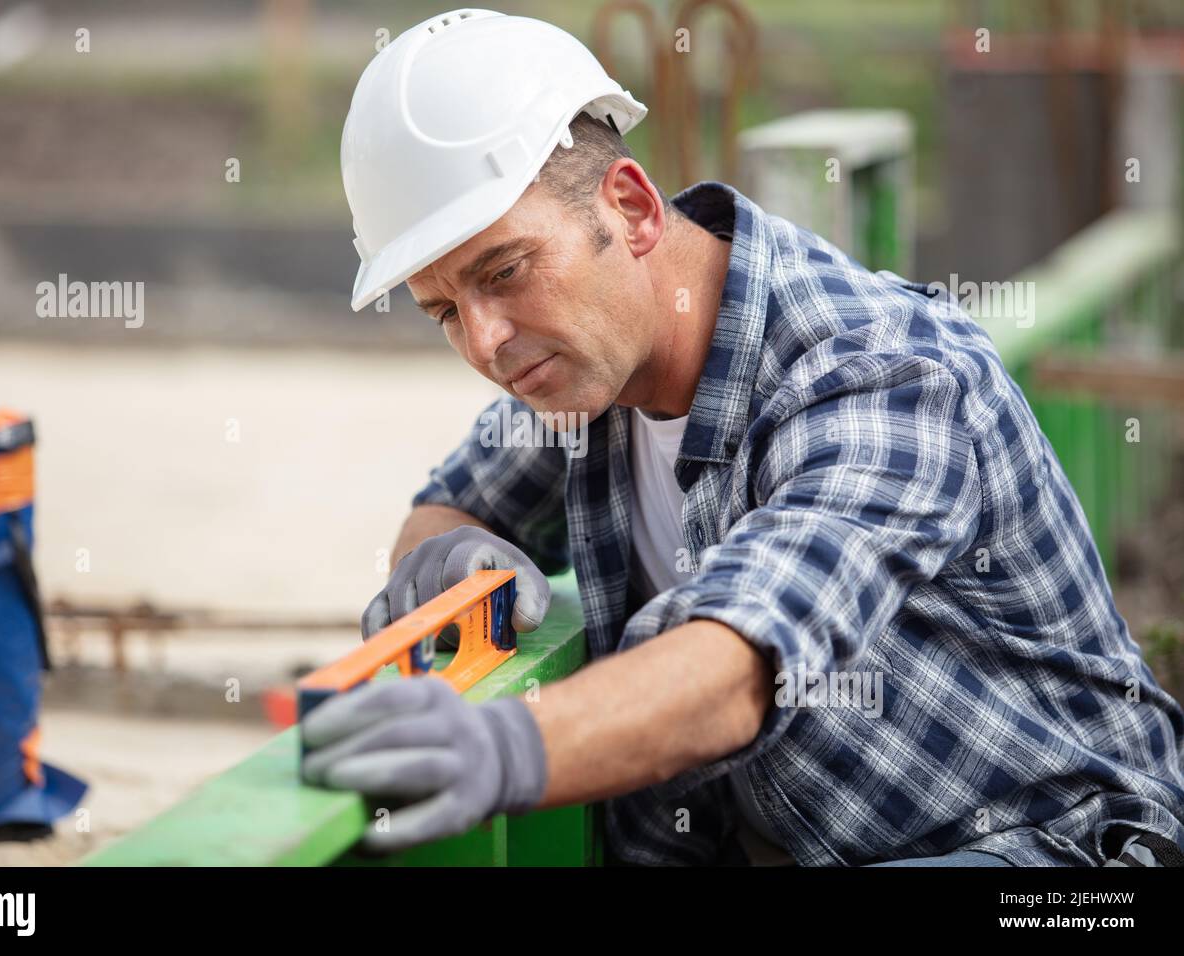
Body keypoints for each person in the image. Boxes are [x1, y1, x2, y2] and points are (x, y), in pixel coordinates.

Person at [302, 8, 1184, 866]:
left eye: (505, 270)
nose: (487, 342)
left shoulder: (884, 372)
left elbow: (741, 664)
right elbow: (449, 504)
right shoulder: (585, 371)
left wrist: (504, 750)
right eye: (444, 311)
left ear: (632, 209)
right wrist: (445, 553)